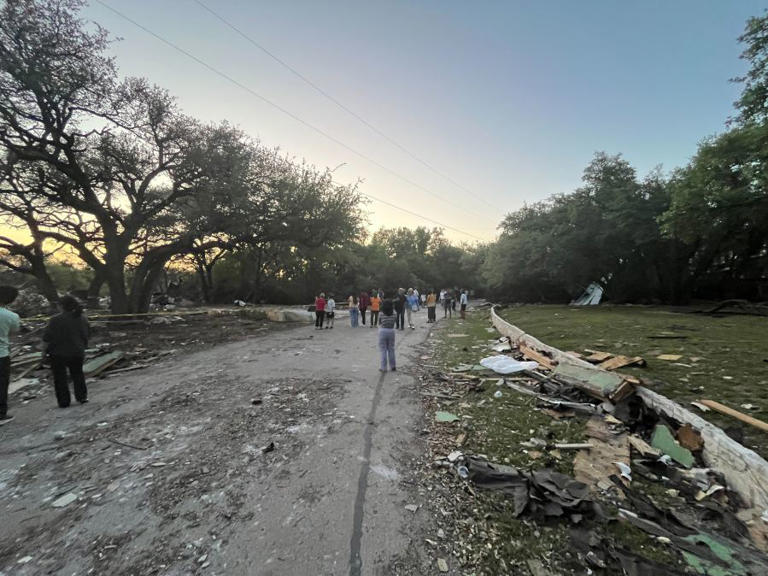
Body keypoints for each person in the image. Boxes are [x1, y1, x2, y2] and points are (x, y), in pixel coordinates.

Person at [43, 295, 89, 408]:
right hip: (77, 350)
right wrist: (83, 347)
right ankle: (82, 396)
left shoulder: (55, 320)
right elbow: (86, 335)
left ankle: (64, 401)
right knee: (78, 374)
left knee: (60, 377)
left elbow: (47, 338)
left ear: (61, 306)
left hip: (58, 352)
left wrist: (43, 352)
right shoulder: (82, 318)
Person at [0, 285, 20, 425]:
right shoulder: (12, 316)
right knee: (1, 384)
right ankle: (1, 414)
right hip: (2, 355)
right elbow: (14, 332)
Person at [378, 298, 396, 372]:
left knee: (383, 350)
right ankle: (393, 366)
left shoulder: (381, 313)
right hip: (391, 331)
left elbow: (379, 322)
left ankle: (383, 367)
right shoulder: (394, 313)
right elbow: (395, 321)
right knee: (391, 349)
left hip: (383, 331)